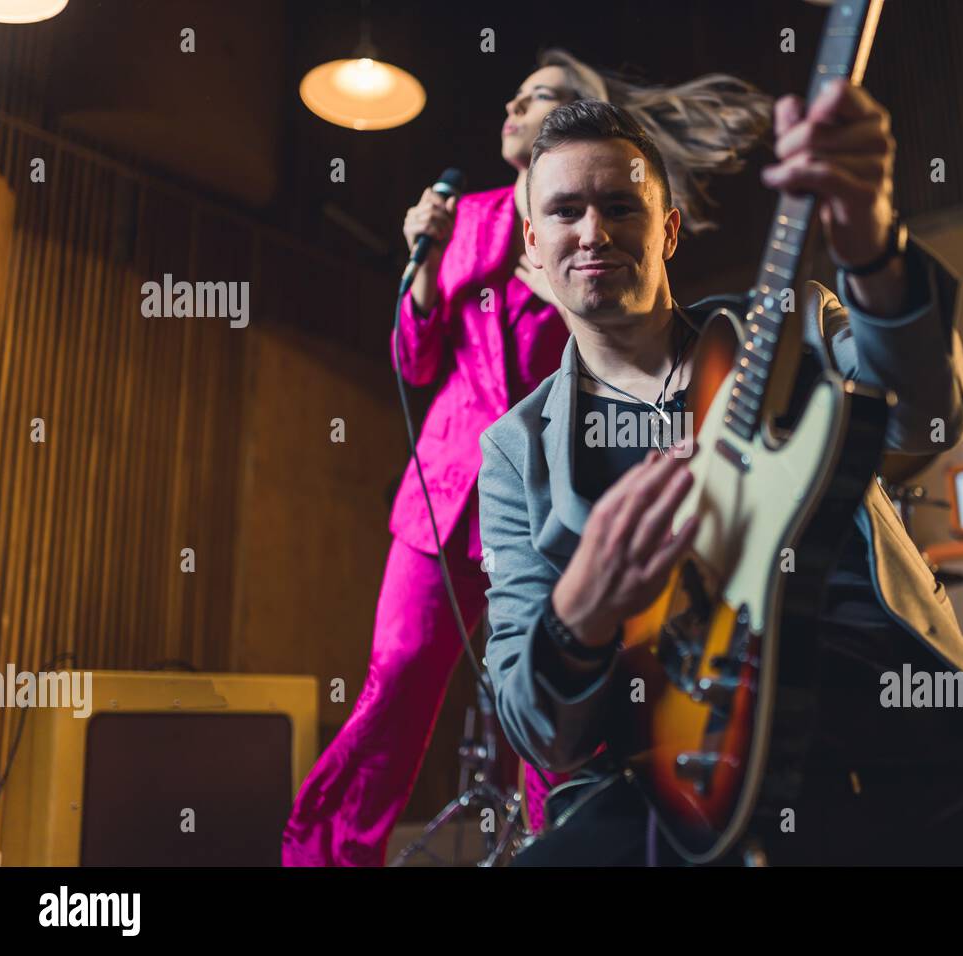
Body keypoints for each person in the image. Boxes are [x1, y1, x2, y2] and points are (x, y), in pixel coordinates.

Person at [476, 94, 963, 866]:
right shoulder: (516, 453)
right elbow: (534, 722)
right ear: (533, 243)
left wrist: (873, 251)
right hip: (687, 779)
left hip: (909, 735)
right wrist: (579, 613)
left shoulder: (790, 333)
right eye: (566, 211)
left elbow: (926, 422)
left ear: (669, 228)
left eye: (621, 205)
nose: (594, 232)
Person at [282, 51, 771, 866]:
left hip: (557, 480)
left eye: (538, 96)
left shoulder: (601, 246)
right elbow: (412, 360)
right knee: (398, 671)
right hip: (446, 486)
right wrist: (424, 274)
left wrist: (574, 289)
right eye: (513, 96)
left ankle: (562, 844)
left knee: (564, 671)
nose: (513, 104)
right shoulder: (461, 218)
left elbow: (626, 360)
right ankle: (326, 856)